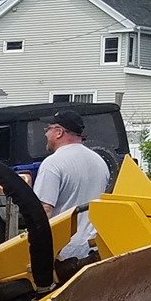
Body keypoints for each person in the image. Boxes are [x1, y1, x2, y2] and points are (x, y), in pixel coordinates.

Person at [34, 107, 110, 262]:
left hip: (65, 252)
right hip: (94, 247)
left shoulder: (52, 164)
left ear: (59, 132)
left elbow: (44, 210)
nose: (45, 134)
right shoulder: (99, 161)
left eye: (48, 129)